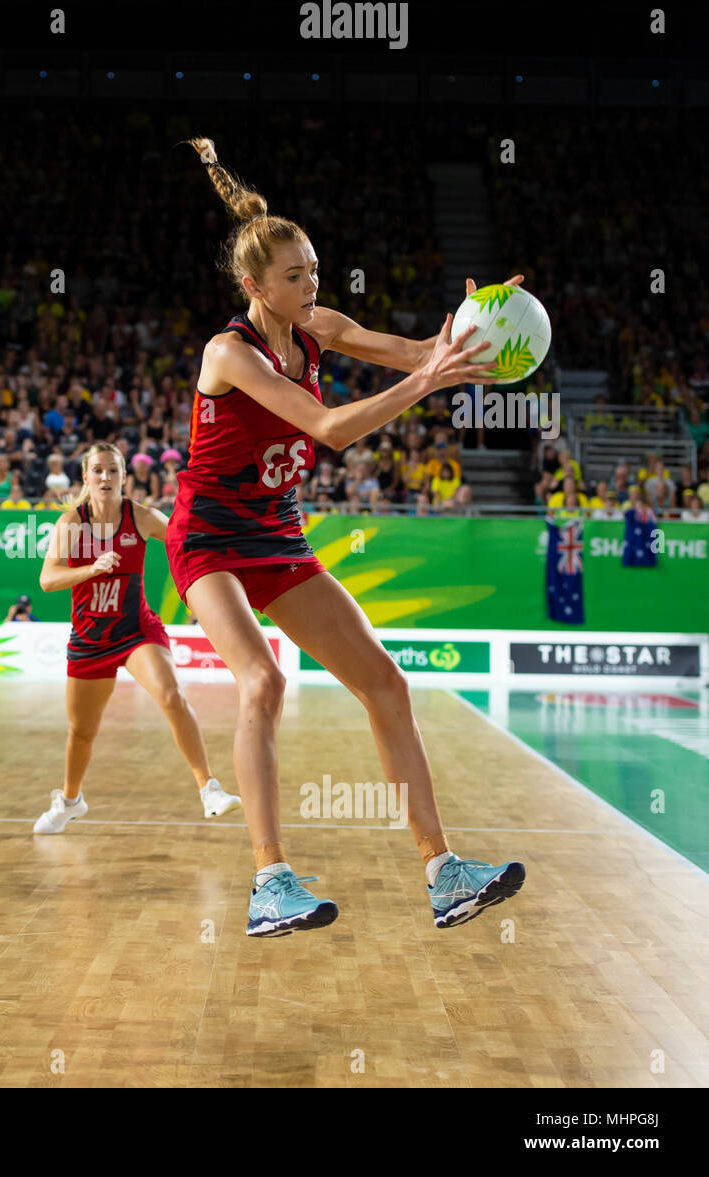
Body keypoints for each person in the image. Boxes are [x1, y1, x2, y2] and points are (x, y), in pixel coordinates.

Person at [171, 138, 525, 937]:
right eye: (295, 277)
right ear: (254, 284)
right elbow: (329, 428)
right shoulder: (229, 352)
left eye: (316, 273)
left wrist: (478, 329)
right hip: (212, 539)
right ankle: (269, 881)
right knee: (262, 682)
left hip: (276, 531)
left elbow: (414, 352)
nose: (311, 286)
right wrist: (424, 380)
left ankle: (444, 871)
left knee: (386, 683)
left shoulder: (318, 328)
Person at [35, 442, 242, 834]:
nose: (105, 478)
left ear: (125, 476)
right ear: (85, 477)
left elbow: (187, 541)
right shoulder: (71, 524)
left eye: (113, 471)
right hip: (90, 637)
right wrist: (92, 569)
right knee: (82, 732)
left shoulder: (142, 518)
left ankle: (209, 789)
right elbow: (47, 580)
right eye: (98, 471)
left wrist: (204, 581)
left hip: (136, 630)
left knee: (170, 694)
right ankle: (69, 801)